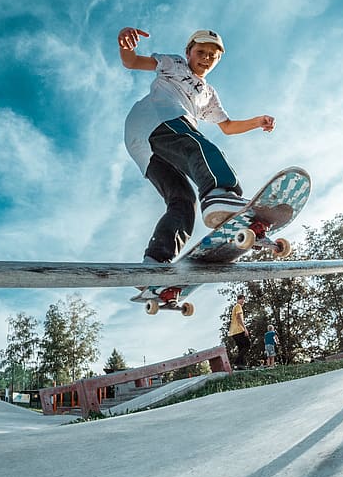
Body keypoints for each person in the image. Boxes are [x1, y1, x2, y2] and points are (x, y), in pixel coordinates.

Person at [118, 26, 276, 263]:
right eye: (201, 52)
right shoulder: (175, 64)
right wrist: (125, 46)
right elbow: (132, 62)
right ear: (188, 52)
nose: (206, 58)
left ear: (218, 59)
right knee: (201, 148)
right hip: (157, 118)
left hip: (145, 148)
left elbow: (228, 126)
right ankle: (220, 193)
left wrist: (257, 122)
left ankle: (157, 259)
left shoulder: (209, 94)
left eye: (213, 56)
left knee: (183, 200)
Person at [228, 294, 250, 369]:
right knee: (247, 345)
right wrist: (245, 329)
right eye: (242, 300)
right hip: (239, 330)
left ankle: (241, 366)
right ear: (239, 300)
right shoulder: (238, 306)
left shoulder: (235, 307)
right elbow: (239, 318)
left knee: (241, 348)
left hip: (233, 332)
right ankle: (236, 362)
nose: (243, 302)